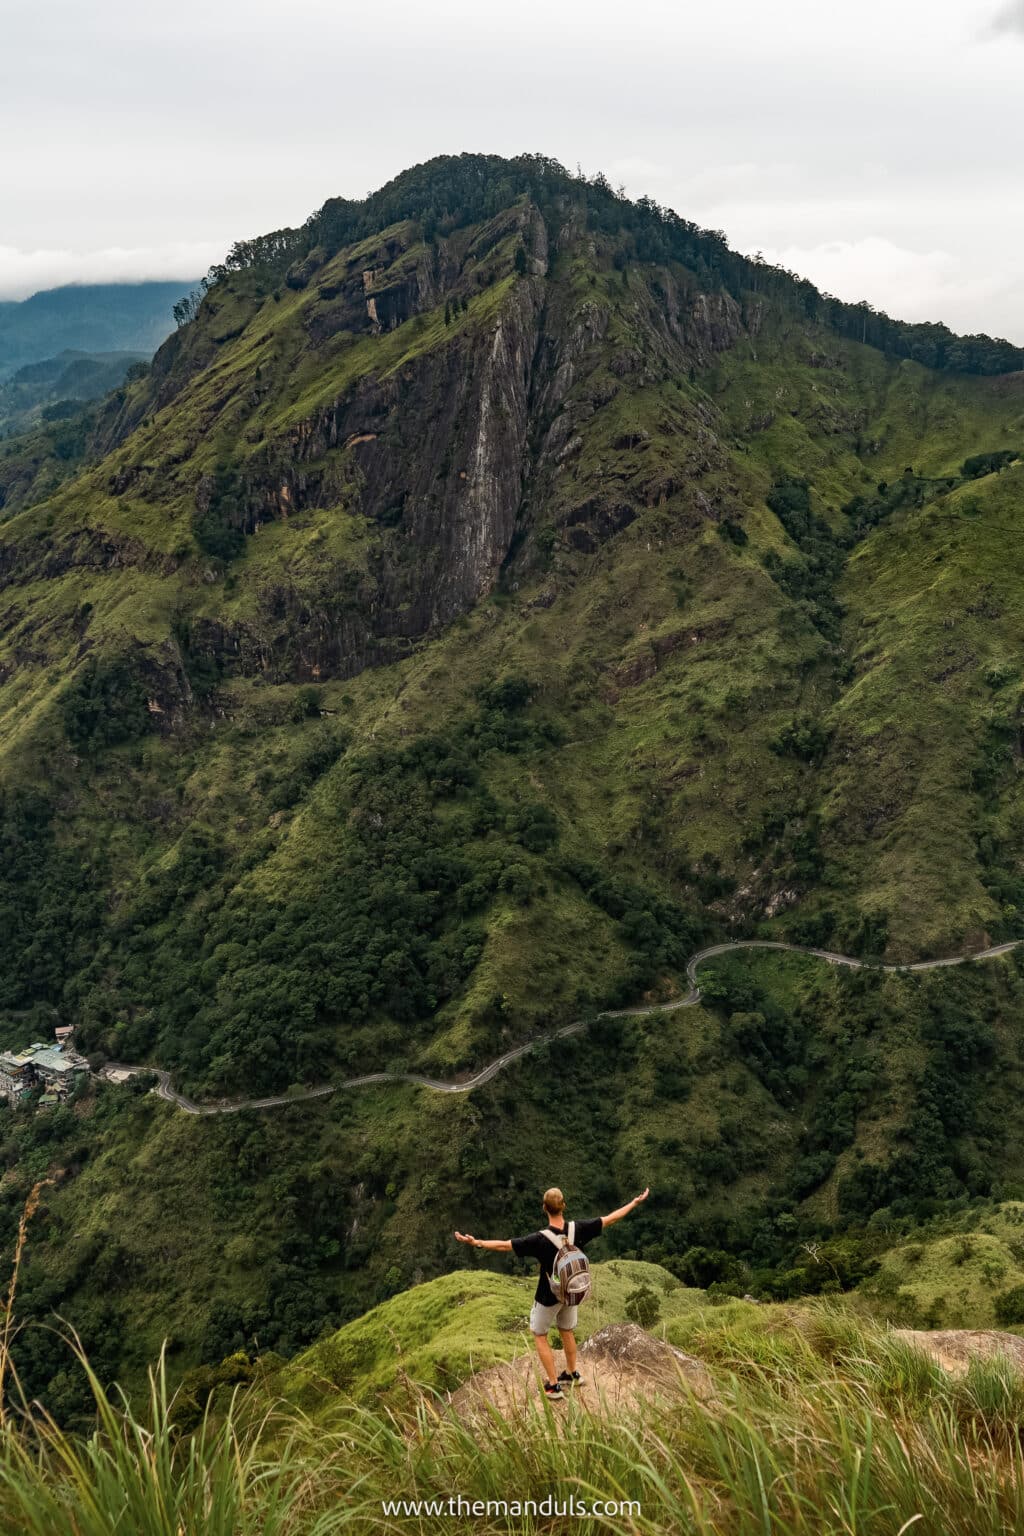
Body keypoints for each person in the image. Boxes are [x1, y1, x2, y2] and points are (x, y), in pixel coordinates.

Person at [454, 1184, 650, 1401]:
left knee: (540, 1334)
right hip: (572, 1291)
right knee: (566, 1330)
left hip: (548, 1296)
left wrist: (476, 1242)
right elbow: (610, 1218)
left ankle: (554, 1386)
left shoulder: (539, 1239)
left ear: (544, 1208)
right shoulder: (579, 1229)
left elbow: (505, 1246)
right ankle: (572, 1374)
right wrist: (634, 1202)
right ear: (563, 1206)